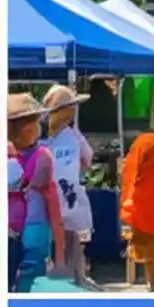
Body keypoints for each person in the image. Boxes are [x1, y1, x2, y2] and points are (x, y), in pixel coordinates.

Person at [40, 85, 98, 290]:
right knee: (68, 242)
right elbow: (87, 159)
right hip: (60, 197)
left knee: (62, 243)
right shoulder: (68, 135)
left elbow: (86, 159)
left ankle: (69, 278)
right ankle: (75, 278)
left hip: (57, 197)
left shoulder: (50, 136)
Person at [7, 93, 65, 293]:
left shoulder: (2, 155)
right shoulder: (42, 157)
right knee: (30, 278)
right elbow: (52, 200)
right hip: (35, 225)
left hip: (10, 228)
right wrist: (60, 253)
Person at [119, 132, 154, 292]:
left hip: (135, 220)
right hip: (153, 224)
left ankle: (135, 278)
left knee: (138, 246)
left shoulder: (131, 172)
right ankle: (152, 286)